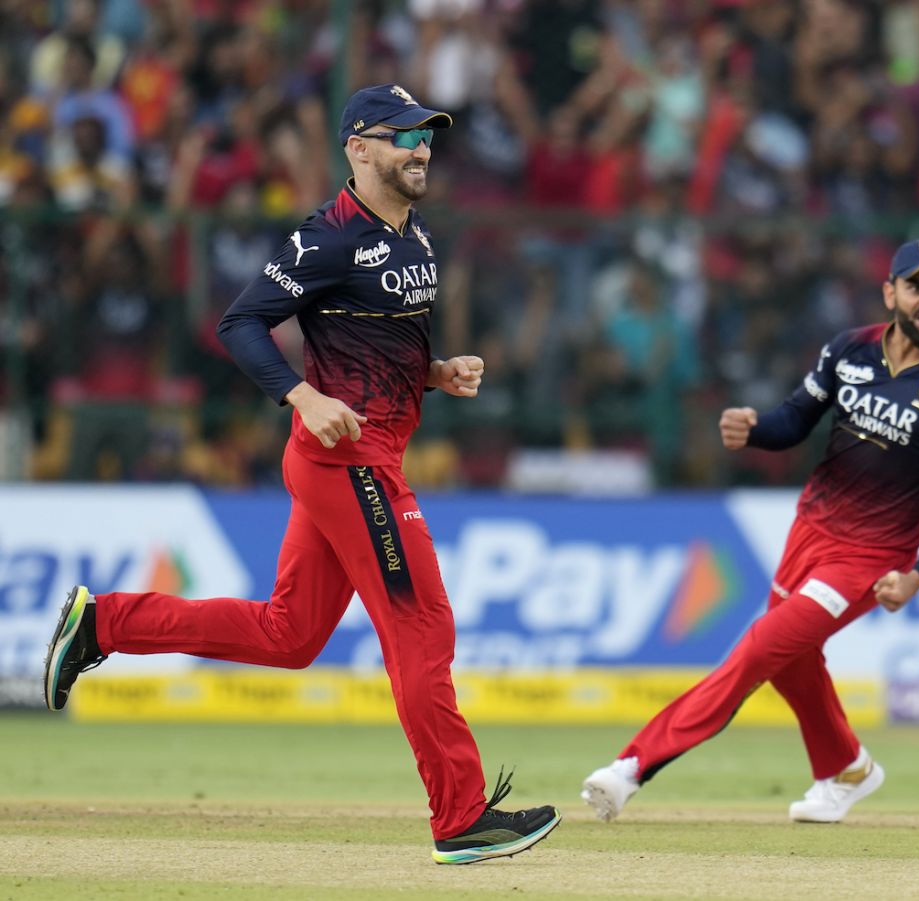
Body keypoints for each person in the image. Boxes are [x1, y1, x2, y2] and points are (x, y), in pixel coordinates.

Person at [43, 83, 561, 865]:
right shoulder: (328, 237)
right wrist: (301, 393)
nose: (421, 149)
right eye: (402, 137)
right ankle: (460, 817)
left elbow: (373, 348)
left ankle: (104, 621)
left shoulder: (415, 235)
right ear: (357, 148)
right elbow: (240, 322)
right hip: (345, 459)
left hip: (358, 451)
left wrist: (436, 372)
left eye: (426, 136)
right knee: (422, 623)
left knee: (289, 636)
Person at [581, 239, 919, 823]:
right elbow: (794, 420)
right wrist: (753, 428)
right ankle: (848, 767)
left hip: (870, 559)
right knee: (793, 662)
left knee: (758, 650)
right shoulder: (849, 349)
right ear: (891, 292)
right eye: (916, 287)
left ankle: (631, 767)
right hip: (810, 532)